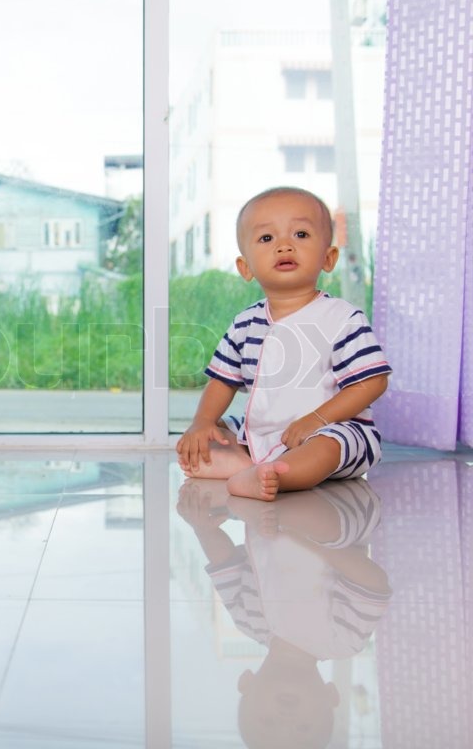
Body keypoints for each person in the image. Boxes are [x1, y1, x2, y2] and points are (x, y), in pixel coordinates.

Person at [176, 186, 392, 500]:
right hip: (265, 430)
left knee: (329, 446)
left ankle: (274, 475)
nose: (284, 246)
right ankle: (247, 462)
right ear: (245, 267)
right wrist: (203, 422)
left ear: (328, 257)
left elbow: (373, 382)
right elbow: (222, 382)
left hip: (333, 428)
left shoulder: (342, 318)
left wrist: (316, 420)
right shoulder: (244, 323)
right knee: (218, 431)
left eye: (301, 234)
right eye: (267, 239)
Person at [176, 476, 391, 749]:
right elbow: (374, 584)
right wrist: (303, 537)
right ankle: (275, 487)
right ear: (331, 696)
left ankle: (262, 464)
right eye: (304, 728)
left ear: (245, 684)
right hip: (341, 510)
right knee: (318, 522)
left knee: (200, 491)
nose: (287, 719)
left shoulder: (248, 621)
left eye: (267, 723)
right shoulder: (343, 641)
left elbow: (224, 562)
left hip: (268, 497)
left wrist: (203, 530)